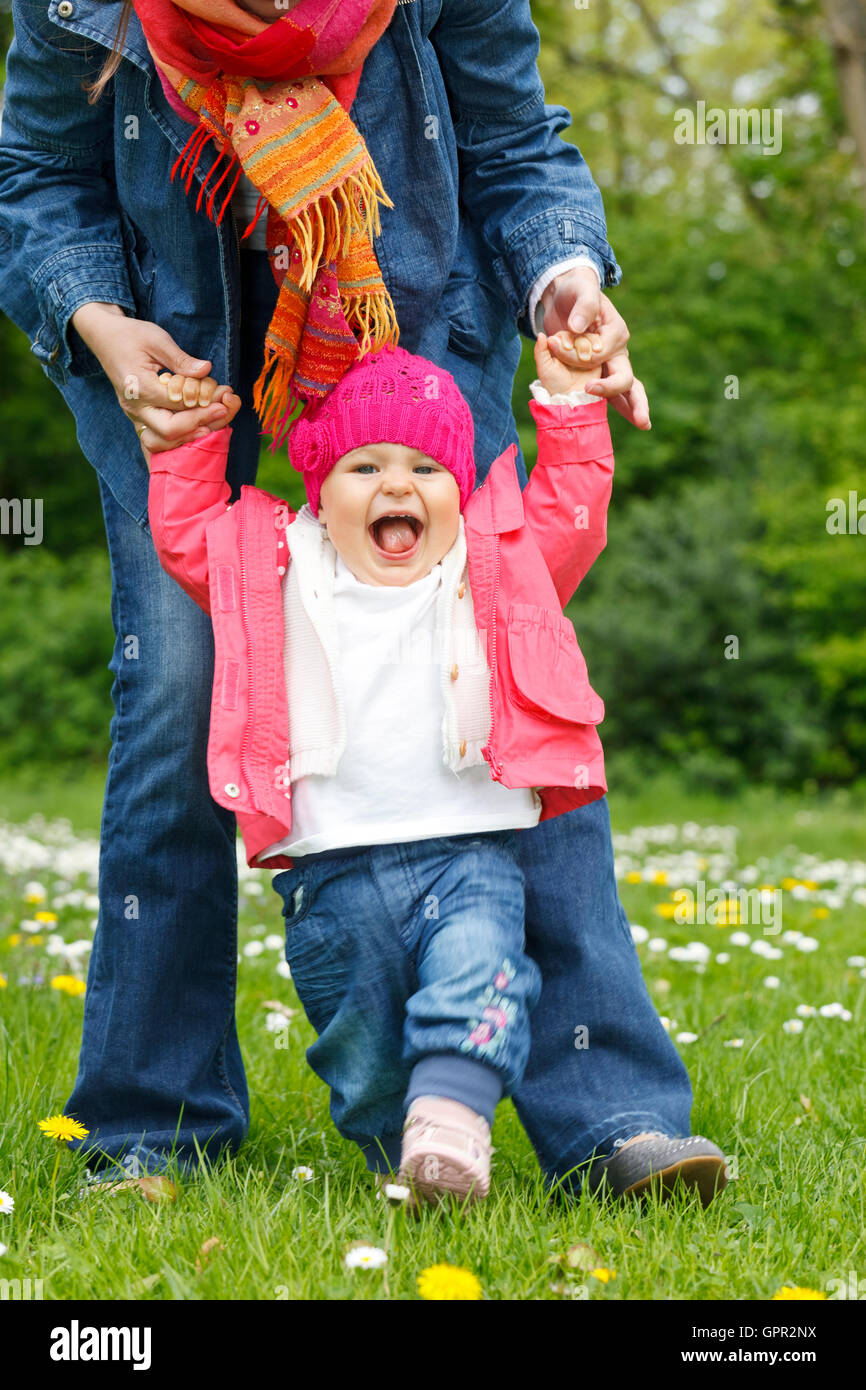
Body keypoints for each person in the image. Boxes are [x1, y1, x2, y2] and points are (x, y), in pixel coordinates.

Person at [0, 0, 722, 1205]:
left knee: (510, 668)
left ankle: (610, 1117)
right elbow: (36, 172)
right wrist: (97, 323)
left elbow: (509, 146)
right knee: (177, 684)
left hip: (414, 336)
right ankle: (151, 1126)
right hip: (170, 364)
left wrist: (564, 283)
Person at [146, 333, 626, 1207]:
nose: (398, 486)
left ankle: (451, 1126)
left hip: (470, 855)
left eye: (426, 470)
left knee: (486, 975)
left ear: (460, 492)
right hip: (331, 877)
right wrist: (188, 447)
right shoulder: (280, 565)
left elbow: (571, 509)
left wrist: (568, 409)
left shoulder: (493, 568)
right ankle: (397, 1154)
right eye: (364, 467)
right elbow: (185, 539)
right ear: (320, 494)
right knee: (361, 1052)